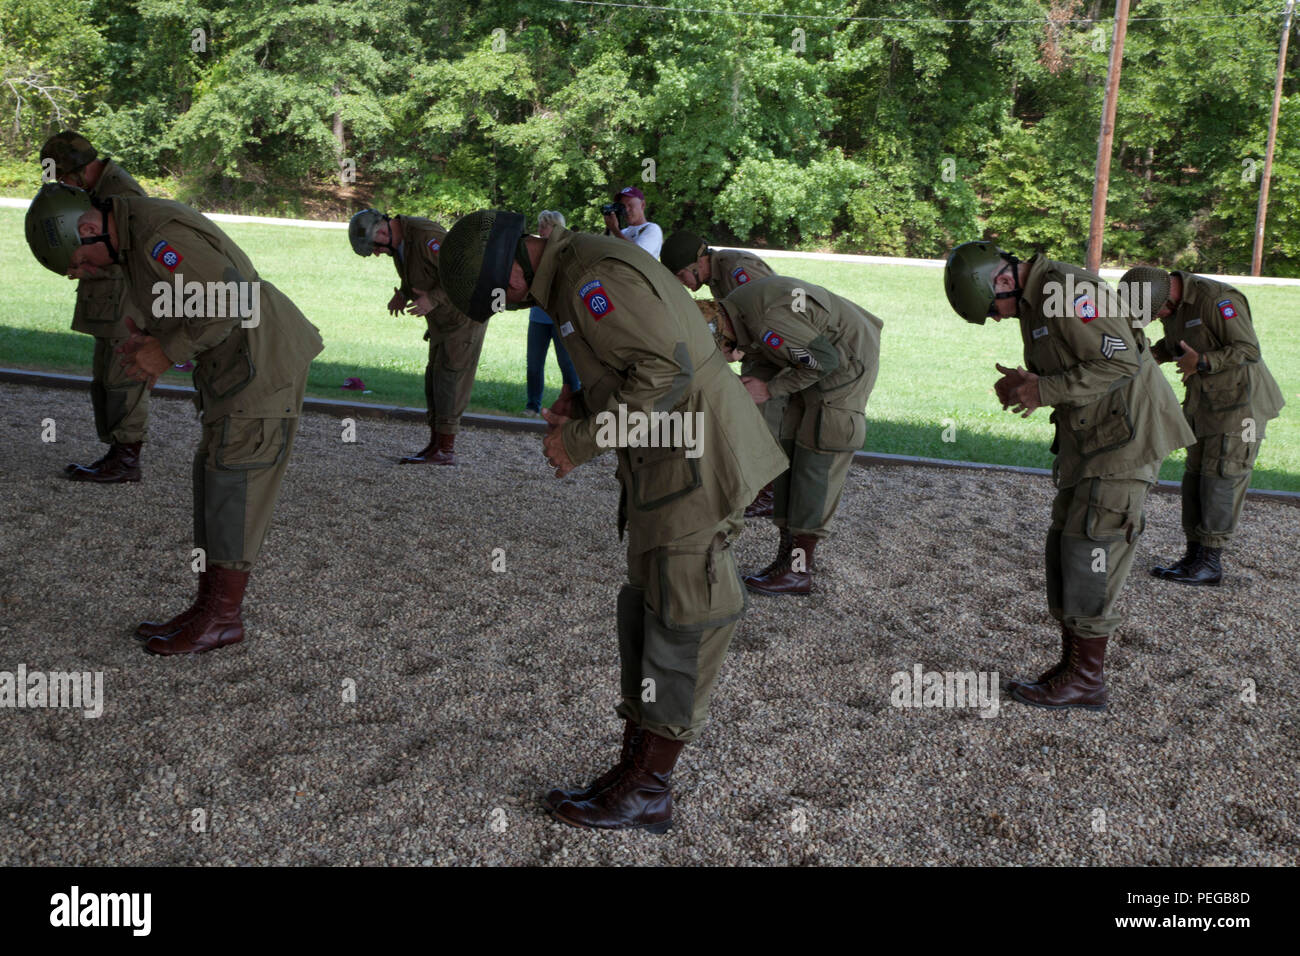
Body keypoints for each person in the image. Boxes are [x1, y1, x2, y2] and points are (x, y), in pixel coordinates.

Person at [437, 209, 786, 833]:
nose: (513, 304)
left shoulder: (590, 277)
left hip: (698, 459)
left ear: (517, 265)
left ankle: (650, 788)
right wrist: (587, 398)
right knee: (648, 609)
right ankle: (633, 768)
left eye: (507, 295)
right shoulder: (571, 272)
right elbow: (634, 363)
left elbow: (666, 371)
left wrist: (581, 439)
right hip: (669, 460)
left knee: (684, 616)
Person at [25, 183, 324, 655]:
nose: (80, 275)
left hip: (262, 364)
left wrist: (166, 352)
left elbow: (231, 300)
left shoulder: (153, 235)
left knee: (235, 486)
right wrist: (150, 338)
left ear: (87, 228)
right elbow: (193, 297)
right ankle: (208, 609)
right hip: (235, 364)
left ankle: (223, 619)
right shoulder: (131, 236)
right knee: (216, 478)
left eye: (80, 263)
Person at [944, 241, 1194, 710]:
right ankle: (1072, 666)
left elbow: (1120, 360)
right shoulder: (1040, 298)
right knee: (1068, 545)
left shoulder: (1065, 291)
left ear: (1002, 281)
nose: (998, 318)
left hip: (1124, 442)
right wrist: (1030, 383)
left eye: (993, 310)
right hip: (1095, 441)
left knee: (1091, 548)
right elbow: (1080, 364)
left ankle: (1086, 680)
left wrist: (1046, 389)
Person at [710, 276, 882, 594]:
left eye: (722, 352)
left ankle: (798, 571)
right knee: (789, 451)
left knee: (817, 459)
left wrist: (770, 388)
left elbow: (824, 361)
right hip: (820, 362)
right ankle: (784, 562)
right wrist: (748, 386)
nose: (727, 358)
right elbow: (766, 357)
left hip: (847, 362)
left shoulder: (764, 321)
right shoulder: (738, 309)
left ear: (725, 335)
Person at [1118, 267, 1285, 586]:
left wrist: (1204, 363)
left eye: (1158, 312)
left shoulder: (1218, 300)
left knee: (1222, 478)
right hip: (1206, 404)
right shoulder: (1171, 304)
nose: (1160, 317)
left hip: (1242, 409)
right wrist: (1150, 355)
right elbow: (1176, 343)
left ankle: (1210, 562)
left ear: (1166, 296)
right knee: (1196, 478)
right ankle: (1194, 556)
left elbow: (1248, 350)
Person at [39, 131, 149, 483]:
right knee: (105, 380)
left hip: (125, 303)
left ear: (76, 171)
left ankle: (127, 460)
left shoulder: (121, 192)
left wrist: (91, 262)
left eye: (63, 177)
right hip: (109, 301)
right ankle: (116, 454)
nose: (63, 184)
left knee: (123, 381)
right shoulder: (99, 189)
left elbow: (136, 251)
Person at [348, 208, 487, 465]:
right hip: (442, 321)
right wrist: (403, 293)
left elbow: (466, 273)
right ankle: (436, 444)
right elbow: (420, 273)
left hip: (463, 317)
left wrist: (432, 299)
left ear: (381, 231)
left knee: (451, 379)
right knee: (435, 379)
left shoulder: (426, 236)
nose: (377, 253)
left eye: (375, 248)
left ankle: (446, 450)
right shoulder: (399, 242)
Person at [661, 230, 781, 516]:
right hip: (759, 351)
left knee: (764, 419)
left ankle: (769, 492)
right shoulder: (719, 275)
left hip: (773, 352)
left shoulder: (736, 269)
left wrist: (741, 349)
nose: (683, 284)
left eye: (681, 275)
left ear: (696, 263)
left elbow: (767, 310)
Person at [524, 211, 580, 416]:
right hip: (538, 317)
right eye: (539, 226)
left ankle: (575, 406)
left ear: (555, 227)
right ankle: (532, 406)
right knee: (534, 363)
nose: (539, 231)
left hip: (561, 317)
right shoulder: (533, 251)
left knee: (567, 363)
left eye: (543, 227)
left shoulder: (568, 250)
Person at [601, 186, 662, 258]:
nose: (626, 210)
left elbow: (638, 255)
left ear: (642, 205)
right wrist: (610, 228)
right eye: (623, 206)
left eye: (630, 205)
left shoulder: (652, 229)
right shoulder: (623, 232)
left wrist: (615, 230)